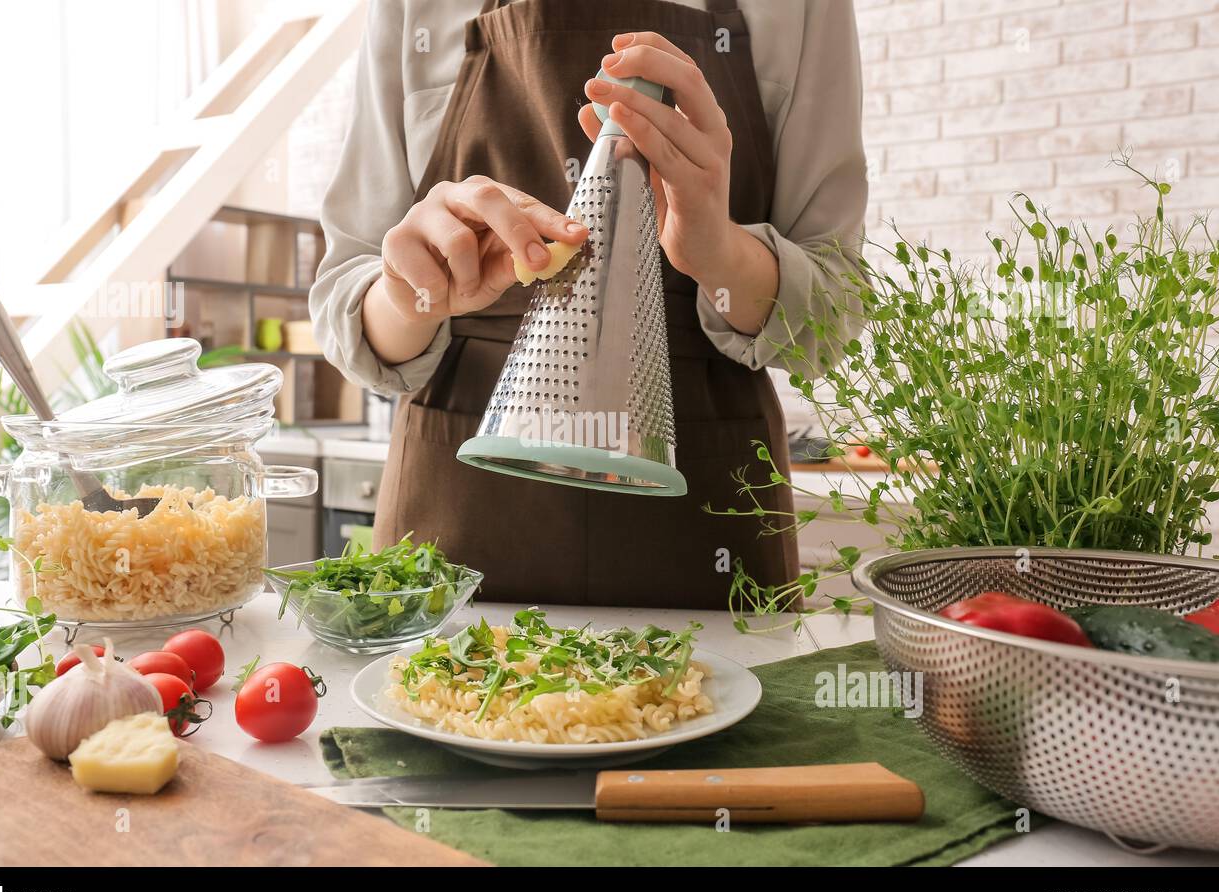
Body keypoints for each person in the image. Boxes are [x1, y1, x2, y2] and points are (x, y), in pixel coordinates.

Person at [310, 0, 867, 608]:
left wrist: (718, 253)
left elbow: (829, 321)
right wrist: (417, 290)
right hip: (456, 520)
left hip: (709, 535)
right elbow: (351, 298)